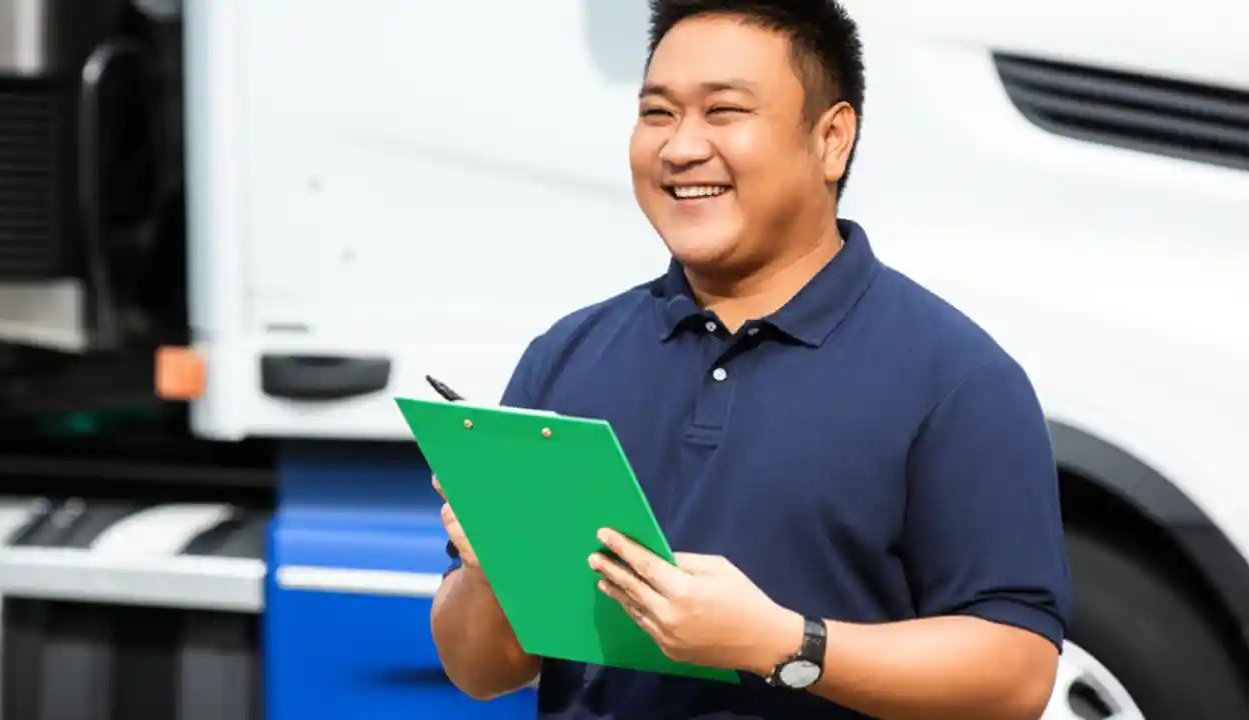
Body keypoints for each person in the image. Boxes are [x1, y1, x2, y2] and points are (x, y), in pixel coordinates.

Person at [429, 1, 1072, 717]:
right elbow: (479, 670)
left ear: (831, 139)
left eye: (724, 112)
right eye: (658, 113)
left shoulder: (958, 381)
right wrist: (493, 570)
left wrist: (782, 643)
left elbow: (1015, 675)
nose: (680, 148)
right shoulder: (569, 356)